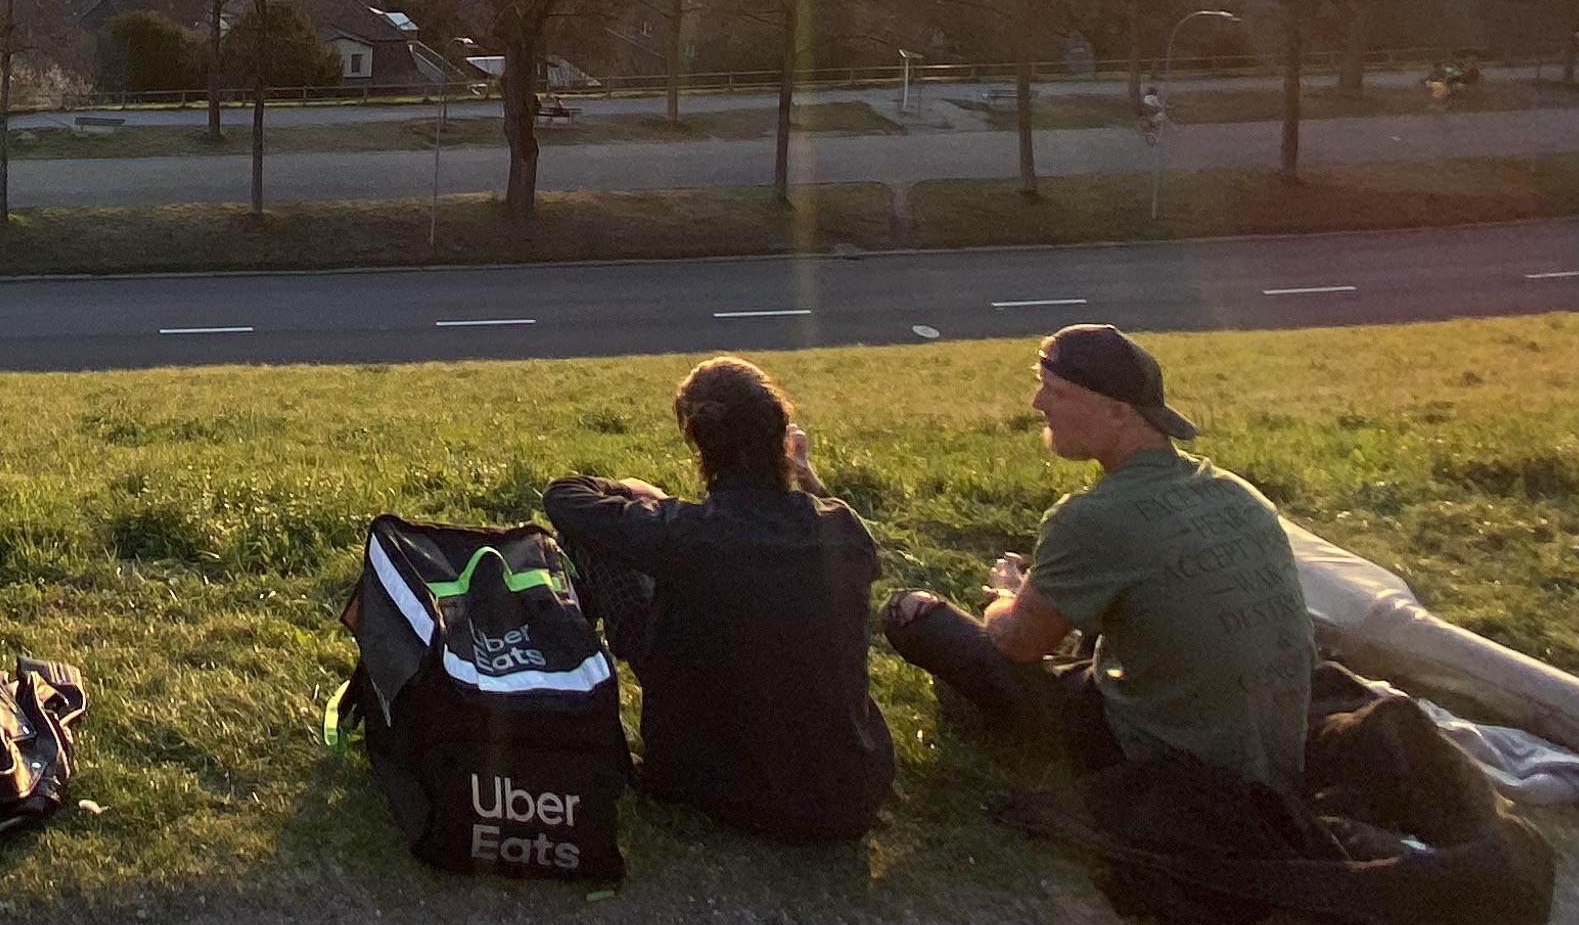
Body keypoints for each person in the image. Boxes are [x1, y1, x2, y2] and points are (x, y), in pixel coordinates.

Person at [882, 322, 1314, 789]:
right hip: (1273, 746)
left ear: (1118, 411)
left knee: (910, 614)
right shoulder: (1238, 493)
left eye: (1057, 392)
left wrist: (1006, 599)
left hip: (1171, 763)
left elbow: (1018, 644)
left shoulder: (1089, 518)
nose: (1037, 404)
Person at [541, 356, 892, 843]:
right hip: (847, 793)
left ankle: (555, 696)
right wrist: (806, 478)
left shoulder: (686, 532)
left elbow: (562, 497)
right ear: (783, 440)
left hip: (717, 787)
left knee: (597, 545)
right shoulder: (843, 529)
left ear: (700, 445)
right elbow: (833, 522)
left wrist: (636, 495)